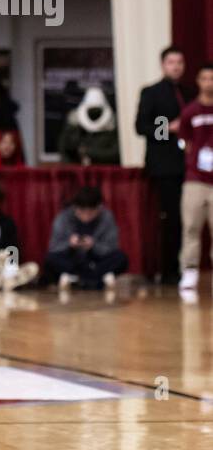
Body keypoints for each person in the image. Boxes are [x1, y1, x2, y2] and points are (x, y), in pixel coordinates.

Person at [136, 46, 190, 284]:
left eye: (179, 62)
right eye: (171, 62)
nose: (175, 67)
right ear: (163, 65)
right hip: (164, 165)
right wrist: (168, 128)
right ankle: (167, 270)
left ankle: (186, 267)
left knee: (187, 219)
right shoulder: (152, 92)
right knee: (169, 218)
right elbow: (141, 126)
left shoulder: (190, 93)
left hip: (189, 164)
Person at [44, 185, 127, 290]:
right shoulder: (63, 217)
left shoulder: (106, 217)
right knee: (50, 259)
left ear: (99, 208)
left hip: (96, 261)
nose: (86, 217)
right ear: (75, 207)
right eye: (82, 212)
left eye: (91, 213)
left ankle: (76, 279)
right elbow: (54, 247)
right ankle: (97, 279)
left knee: (121, 258)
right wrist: (69, 244)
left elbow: (112, 247)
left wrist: (93, 246)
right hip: (73, 261)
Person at [176, 63, 213, 292]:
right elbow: (183, 141)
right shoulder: (190, 111)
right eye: (205, 78)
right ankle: (189, 271)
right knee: (191, 226)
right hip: (195, 179)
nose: (209, 83)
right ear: (198, 82)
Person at [58, 85, 119, 165]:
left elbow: (114, 153)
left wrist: (88, 152)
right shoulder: (75, 127)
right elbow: (65, 148)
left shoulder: (111, 128)